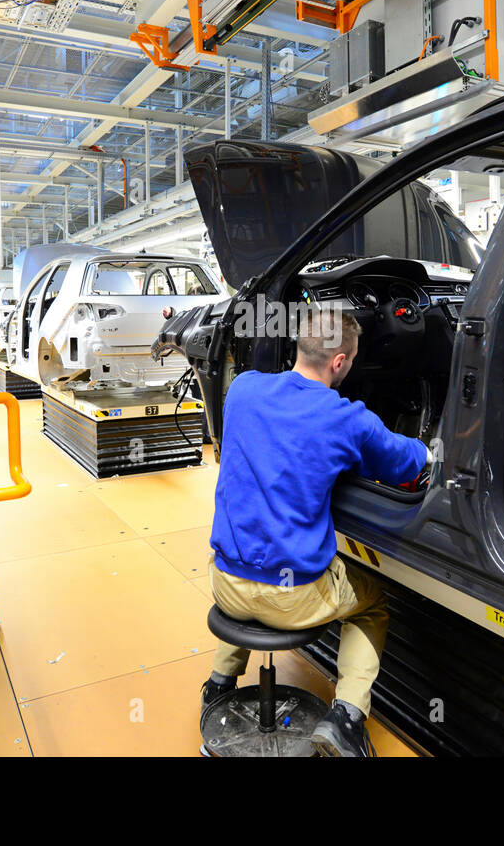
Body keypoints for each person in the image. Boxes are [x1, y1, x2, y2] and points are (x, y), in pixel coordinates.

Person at [200, 306, 430, 756]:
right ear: (340, 362)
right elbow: (407, 461)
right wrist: (429, 447)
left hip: (223, 585)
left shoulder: (243, 390)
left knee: (245, 563)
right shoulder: (347, 419)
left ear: (299, 345)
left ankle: (219, 681)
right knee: (372, 603)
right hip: (292, 601)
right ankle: (345, 717)